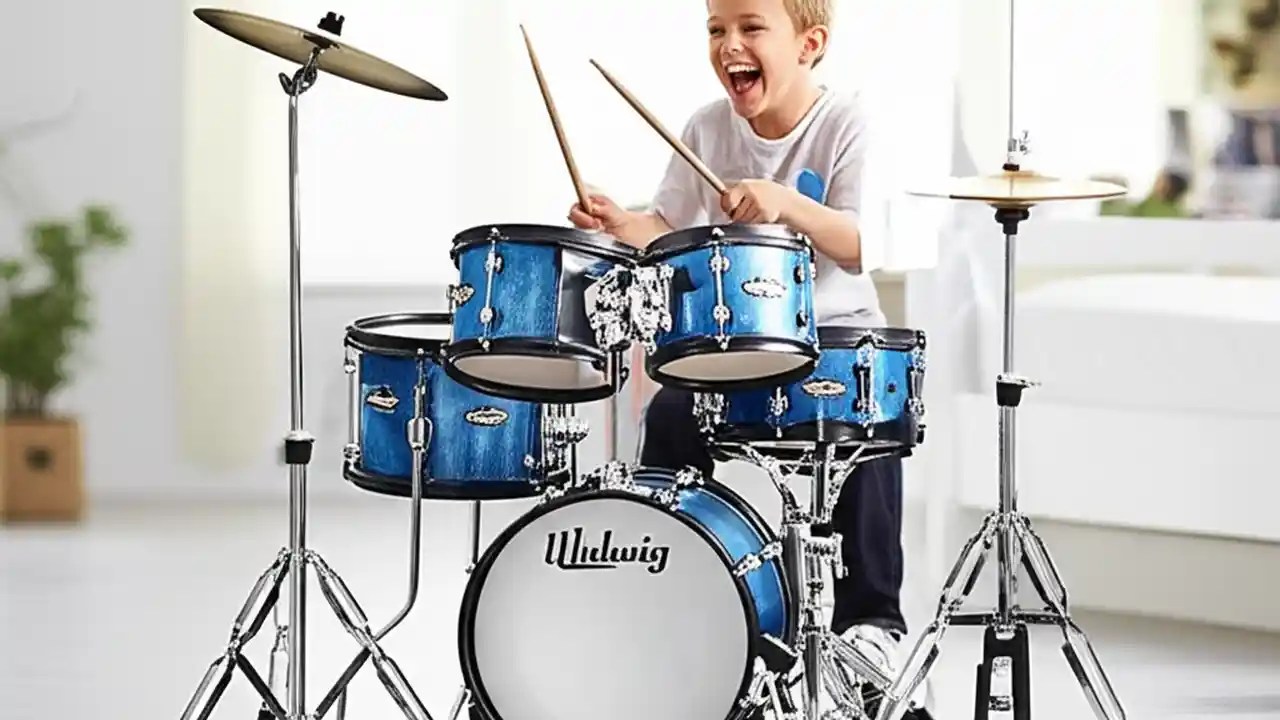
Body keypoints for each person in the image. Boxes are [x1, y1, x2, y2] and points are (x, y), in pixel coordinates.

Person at [568, 0, 931, 716]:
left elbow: (857, 244)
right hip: (737, 351)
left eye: (750, 27)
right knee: (669, 414)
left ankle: (872, 625)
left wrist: (782, 203)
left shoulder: (843, 123)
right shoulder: (707, 126)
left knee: (859, 417)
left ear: (810, 43)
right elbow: (666, 229)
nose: (728, 43)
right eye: (715, 29)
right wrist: (622, 224)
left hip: (831, 336)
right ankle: (679, 597)